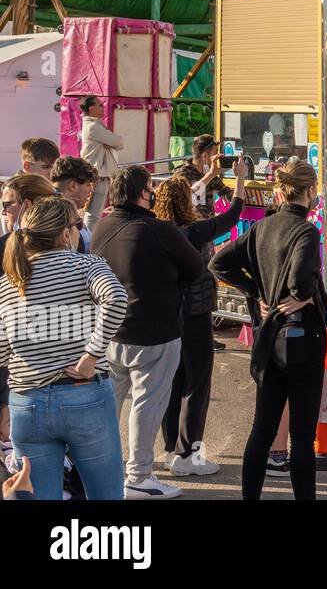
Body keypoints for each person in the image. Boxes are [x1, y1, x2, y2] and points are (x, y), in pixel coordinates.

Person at [210, 159, 327, 500]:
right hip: (302, 339)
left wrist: (256, 292)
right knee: (302, 437)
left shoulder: (262, 227)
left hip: (268, 337)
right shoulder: (306, 231)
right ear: (311, 191)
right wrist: (301, 297)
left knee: (262, 430)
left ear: (280, 191)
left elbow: (218, 261)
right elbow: (300, 280)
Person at [0, 196, 128, 500]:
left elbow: (2, 351)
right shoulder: (87, 266)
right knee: (105, 494)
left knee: (38, 496)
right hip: (84, 392)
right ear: (64, 233)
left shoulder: (9, 282)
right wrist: (91, 355)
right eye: (76, 224)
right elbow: (117, 299)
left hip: (26, 402)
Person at [91, 165, 204, 499]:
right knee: (147, 405)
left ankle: (99, 470)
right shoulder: (160, 229)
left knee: (109, 404)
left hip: (110, 331)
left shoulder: (102, 228)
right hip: (155, 332)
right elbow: (195, 268)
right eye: (150, 187)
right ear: (143, 193)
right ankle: (138, 475)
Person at [153, 167, 246, 477]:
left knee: (173, 381)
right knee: (197, 382)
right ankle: (191, 452)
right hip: (195, 315)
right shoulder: (194, 232)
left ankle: (171, 450)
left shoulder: (155, 231)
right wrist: (241, 179)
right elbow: (232, 216)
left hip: (167, 315)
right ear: (185, 202)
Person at [0, 174, 57, 452]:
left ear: (26, 205)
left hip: (26, 382)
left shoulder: (68, 248)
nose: (2, 211)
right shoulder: (71, 243)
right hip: (56, 382)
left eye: (7, 204)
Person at [78, 96, 122, 231]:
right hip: (98, 175)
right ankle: (88, 242)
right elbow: (118, 142)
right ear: (91, 108)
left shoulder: (93, 126)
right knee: (93, 212)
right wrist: (110, 143)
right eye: (100, 105)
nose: (102, 107)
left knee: (92, 211)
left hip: (96, 173)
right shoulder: (94, 127)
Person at [172, 135, 230, 218]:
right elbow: (188, 195)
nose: (218, 157)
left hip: (207, 227)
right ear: (205, 156)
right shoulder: (181, 175)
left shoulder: (209, 173)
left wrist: (239, 174)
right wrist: (210, 175)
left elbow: (227, 193)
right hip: (188, 228)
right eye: (215, 153)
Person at [50, 157, 97, 254]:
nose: (91, 190)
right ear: (73, 186)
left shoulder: (63, 209)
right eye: (88, 185)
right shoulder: (54, 216)